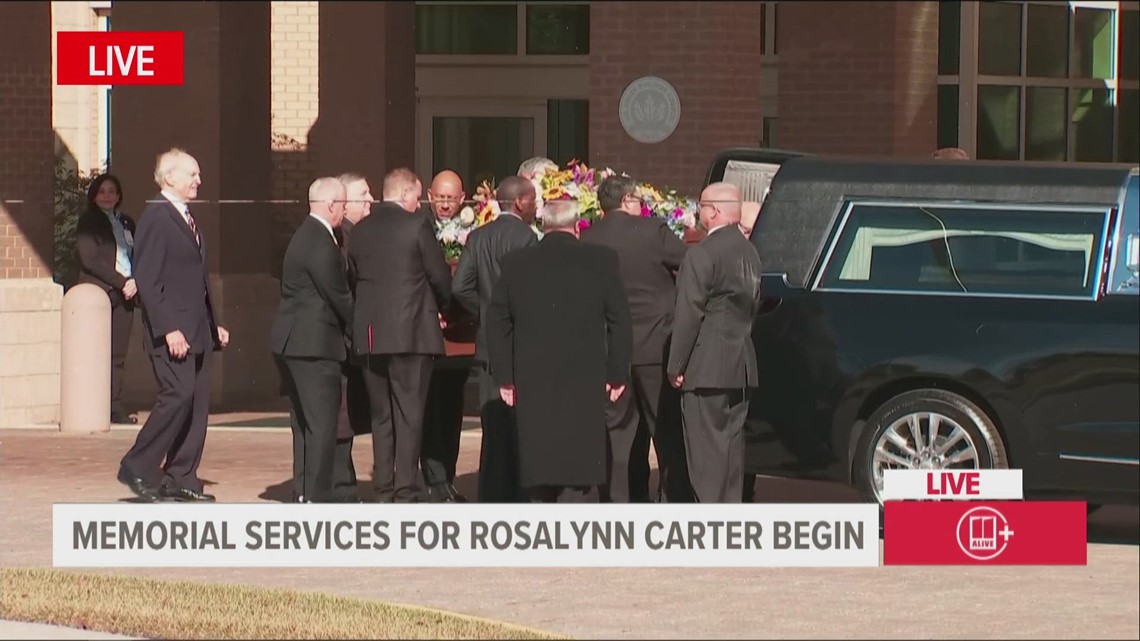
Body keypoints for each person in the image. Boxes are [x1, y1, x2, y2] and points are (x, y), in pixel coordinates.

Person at [485, 199, 633, 503]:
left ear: (542, 226)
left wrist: (504, 377)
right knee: (579, 457)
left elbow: (497, 322)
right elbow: (620, 319)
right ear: (577, 226)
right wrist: (617, 373)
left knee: (539, 453)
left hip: (532, 375)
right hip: (585, 374)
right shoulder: (602, 260)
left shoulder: (516, 263)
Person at [119, 148, 230, 503]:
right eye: (191, 174)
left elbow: (195, 278)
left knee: (196, 403)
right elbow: (148, 281)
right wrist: (169, 329)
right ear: (169, 178)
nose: (199, 180)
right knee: (177, 395)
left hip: (197, 330)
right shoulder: (156, 217)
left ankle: (181, 477)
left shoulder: (185, 218)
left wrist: (214, 324)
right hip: (173, 334)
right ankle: (137, 465)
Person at [581, 175, 690, 503]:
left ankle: (621, 506)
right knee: (666, 432)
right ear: (629, 201)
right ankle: (674, 503)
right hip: (655, 344)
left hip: (609, 348)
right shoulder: (652, 232)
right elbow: (691, 263)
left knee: (618, 434)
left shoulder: (587, 238)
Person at [346, 167, 452, 503]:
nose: (419, 202)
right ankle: (405, 489)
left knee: (382, 416)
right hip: (412, 334)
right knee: (410, 414)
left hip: (372, 335)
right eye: (417, 195)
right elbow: (438, 276)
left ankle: (382, 488)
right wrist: (446, 307)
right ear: (406, 194)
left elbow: (352, 276)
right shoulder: (417, 225)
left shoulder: (359, 231)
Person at [666, 182, 763, 503]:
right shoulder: (750, 252)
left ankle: (710, 527)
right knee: (731, 455)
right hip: (742, 366)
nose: (699, 212)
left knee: (706, 456)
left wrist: (676, 364)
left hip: (705, 367)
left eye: (702, 206)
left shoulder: (703, 254)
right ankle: (729, 522)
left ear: (715, 211)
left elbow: (688, 313)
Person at [451, 176, 539, 502]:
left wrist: (486, 312)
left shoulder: (478, 237)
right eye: (533, 200)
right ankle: (518, 497)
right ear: (519, 203)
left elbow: (460, 287)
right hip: (519, 344)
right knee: (520, 428)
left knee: (493, 426)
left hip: (488, 346)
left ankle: (490, 495)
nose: (537, 206)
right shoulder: (527, 239)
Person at [270, 177, 355, 503]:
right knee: (322, 426)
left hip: (294, 344)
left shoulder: (305, 234)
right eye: (343, 204)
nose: (345, 209)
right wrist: (363, 332)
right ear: (331, 204)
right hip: (313, 346)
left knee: (305, 424)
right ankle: (318, 498)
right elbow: (340, 296)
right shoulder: (320, 241)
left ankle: (304, 492)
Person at [420, 169, 474, 503]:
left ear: (462, 199)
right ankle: (433, 478)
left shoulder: (473, 229)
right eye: (439, 197)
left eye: (450, 198)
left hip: (459, 335)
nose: (444, 204)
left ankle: (447, 477)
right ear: (429, 196)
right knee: (429, 408)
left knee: (452, 408)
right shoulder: (419, 226)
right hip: (427, 333)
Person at [74, 173, 139, 425]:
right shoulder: (88, 222)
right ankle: (93, 405)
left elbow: (138, 255)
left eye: (112, 191)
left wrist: (136, 282)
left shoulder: (126, 222)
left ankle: (114, 407)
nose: (107, 196)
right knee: (95, 353)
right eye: (102, 192)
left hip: (126, 296)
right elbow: (90, 259)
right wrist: (121, 282)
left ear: (119, 195)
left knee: (117, 356)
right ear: (94, 196)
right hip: (99, 292)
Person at [325, 172, 373, 502]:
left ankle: (344, 483)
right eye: (364, 194)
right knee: (340, 417)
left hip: (347, 341)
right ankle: (342, 487)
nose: (371, 200)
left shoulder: (355, 235)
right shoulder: (344, 239)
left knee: (347, 416)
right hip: (340, 343)